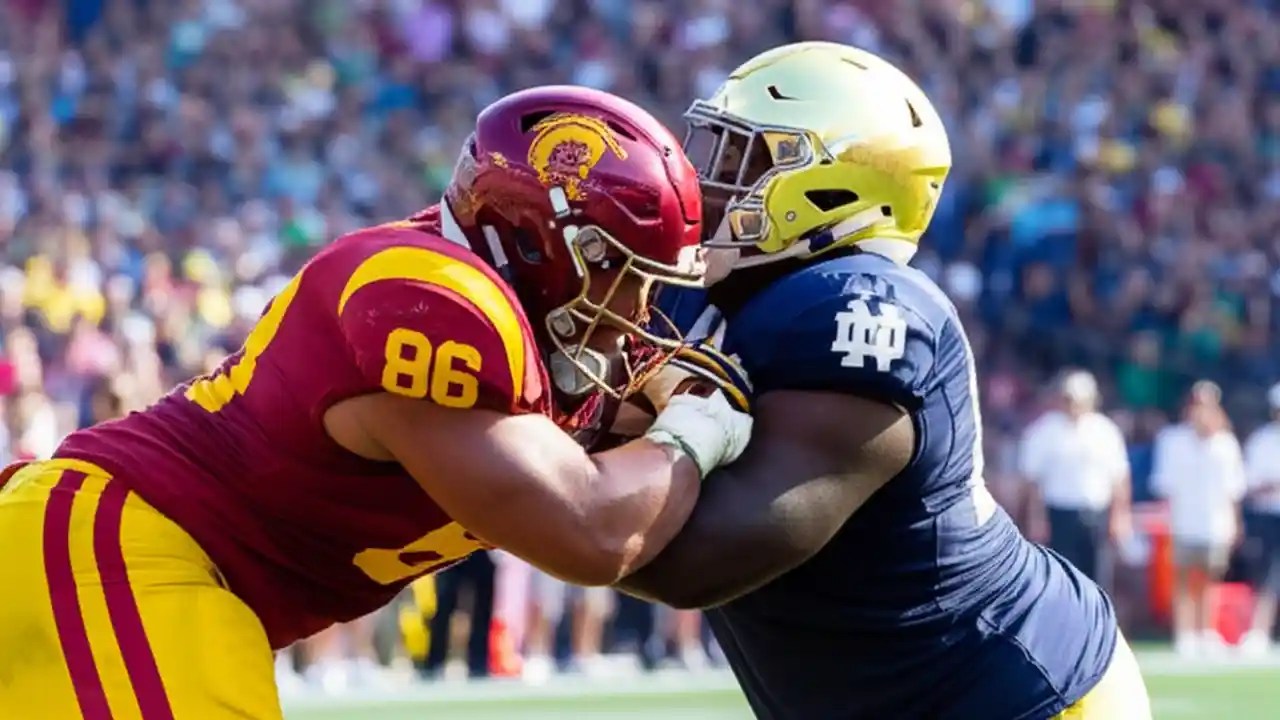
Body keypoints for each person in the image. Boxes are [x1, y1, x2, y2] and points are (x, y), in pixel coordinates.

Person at [0, 86, 752, 720]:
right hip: (117, 547)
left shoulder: (525, 344)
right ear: (538, 242)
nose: (642, 305)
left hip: (144, 567)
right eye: (623, 272)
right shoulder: (429, 299)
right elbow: (588, 530)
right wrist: (693, 432)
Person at [616, 42, 1151, 719]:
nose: (702, 181)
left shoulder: (861, 309)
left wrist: (512, 485)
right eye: (709, 150)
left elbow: (693, 559)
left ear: (831, 184)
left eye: (739, 159)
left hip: (1019, 694)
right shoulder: (701, 292)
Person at [1151, 381, 1246, 657]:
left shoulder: (1226, 444)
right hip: (1184, 521)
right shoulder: (1174, 440)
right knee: (1183, 579)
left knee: (1211, 580)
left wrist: (1236, 523)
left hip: (1216, 523)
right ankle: (1185, 632)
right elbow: (1165, 486)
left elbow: (1234, 490)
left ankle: (1206, 630)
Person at [1020, 369, 1133, 587]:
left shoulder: (1105, 431)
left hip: (1096, 513)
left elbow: (1119, 477)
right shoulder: (1044, 430)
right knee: (1059, 578)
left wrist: (1120, 516)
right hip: (1058, 513)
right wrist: (1036, 518)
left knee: (1097, 576)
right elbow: (1033, 481)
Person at [1242, 383, 1280, 656]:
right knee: (1266, 577)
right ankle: (1259, 630)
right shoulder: (1262, 440)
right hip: (1268, 516)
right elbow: (1250, 484)